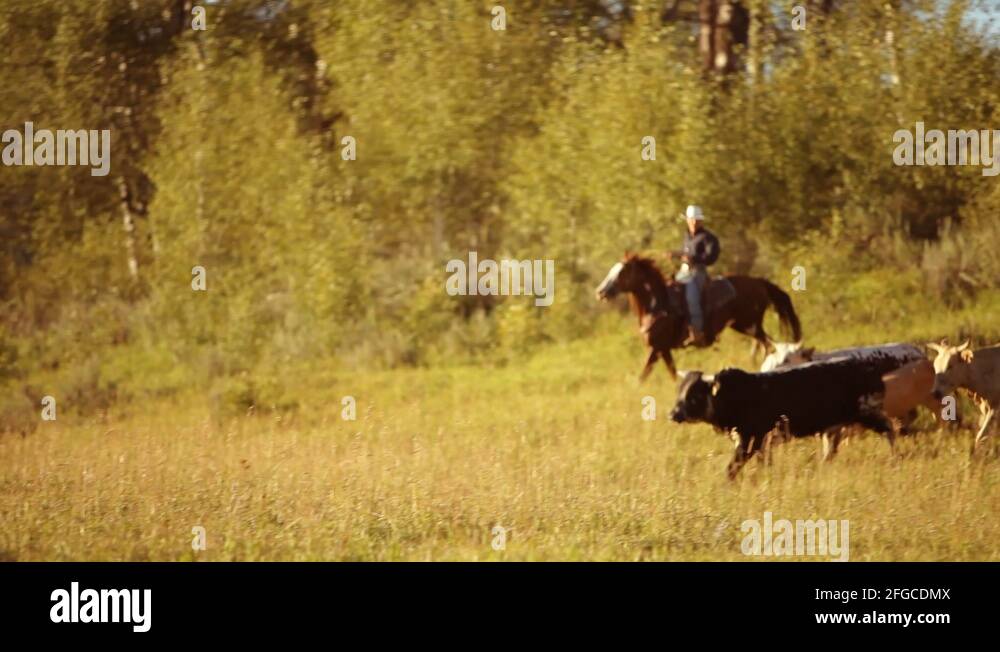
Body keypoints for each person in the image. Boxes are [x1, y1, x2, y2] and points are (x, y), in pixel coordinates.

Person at [669, 205, 720, 346]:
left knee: (692, 297)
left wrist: (693, 258)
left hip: (698, 272)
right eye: (692, 219)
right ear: (687, 220)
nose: (694, 222)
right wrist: (676, 255)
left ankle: (697, 331)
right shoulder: (687, 237)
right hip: (684, 272)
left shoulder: (708, 238)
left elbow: (711, 256)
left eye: (697, 220)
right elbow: (685, 254)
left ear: (701, 221)